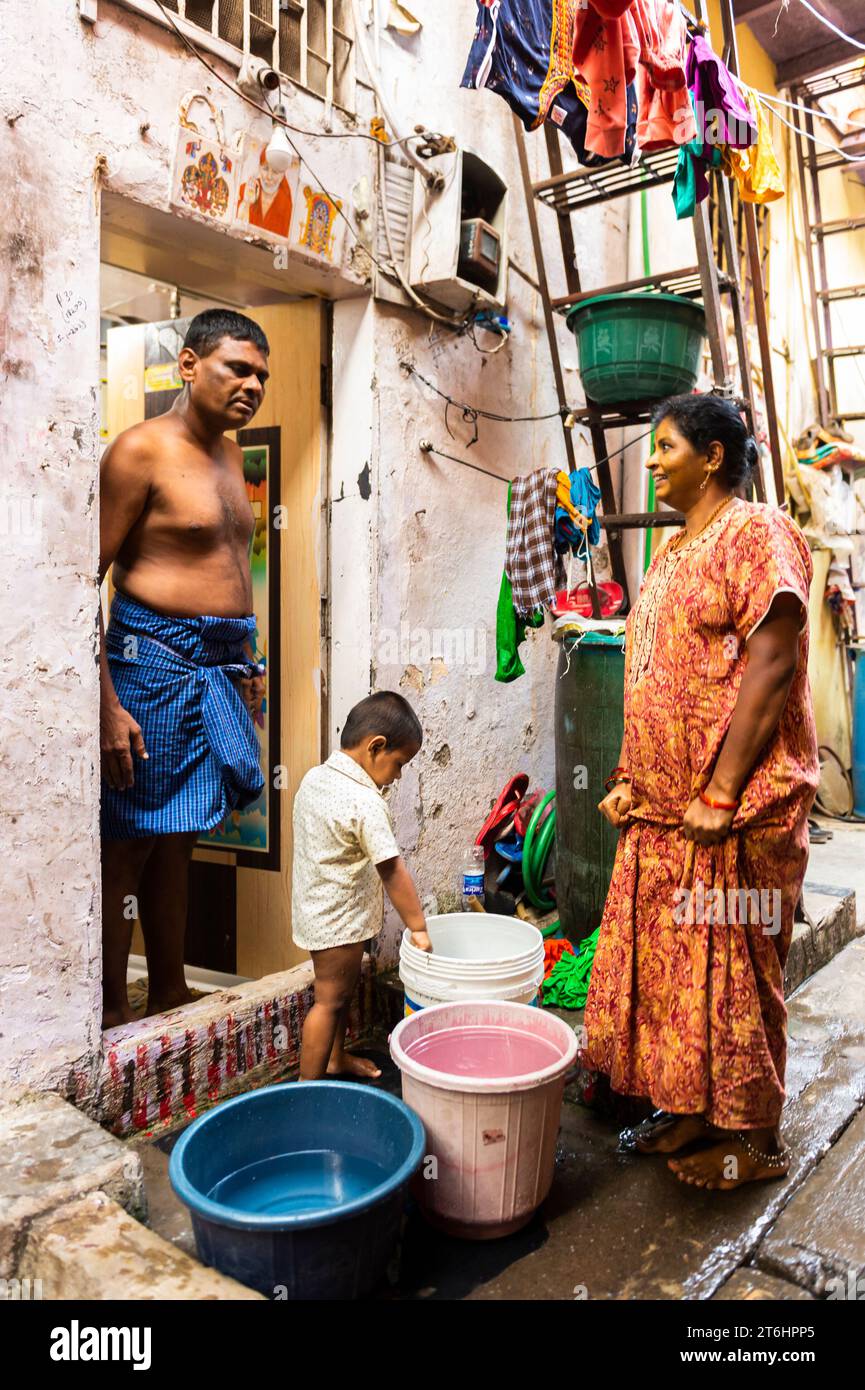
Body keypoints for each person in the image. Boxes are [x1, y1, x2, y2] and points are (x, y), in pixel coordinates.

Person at [585, 393, 819, 1191]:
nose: (651, 461)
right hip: (661, 816)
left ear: (712, 456)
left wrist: (718, 794)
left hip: (734, 811)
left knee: (738, 981)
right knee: (678, 979)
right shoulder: (671, 552)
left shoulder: (754, 532)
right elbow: (653, 674)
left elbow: (772, 660)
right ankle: (691, 1112)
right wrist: (625, 776)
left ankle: (753, 1143)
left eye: (665, 446)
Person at [99, 308, 270, 1028]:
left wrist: (251, 661)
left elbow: (232, 568)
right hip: (151, 666)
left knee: (180, 837)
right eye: (238, 367)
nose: (253, 384)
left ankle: (167, 991)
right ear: (190, 364)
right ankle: (107, 1010)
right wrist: (104, 705)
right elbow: (83, 580)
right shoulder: (139, 451)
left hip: (222, 667)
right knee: (129, 840)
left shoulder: (234, 458)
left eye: (262, 374)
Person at [292, 692, 431, 1081]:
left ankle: (335, 1060)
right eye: (399, 764)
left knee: (338, 996)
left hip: (315, 911)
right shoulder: (365, 802)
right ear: (376, 747)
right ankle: (307, 1088)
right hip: (340, 921)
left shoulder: (315, 778)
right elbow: (392, 870)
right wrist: (417, 926)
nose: (399, 775)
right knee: (328, 1003)